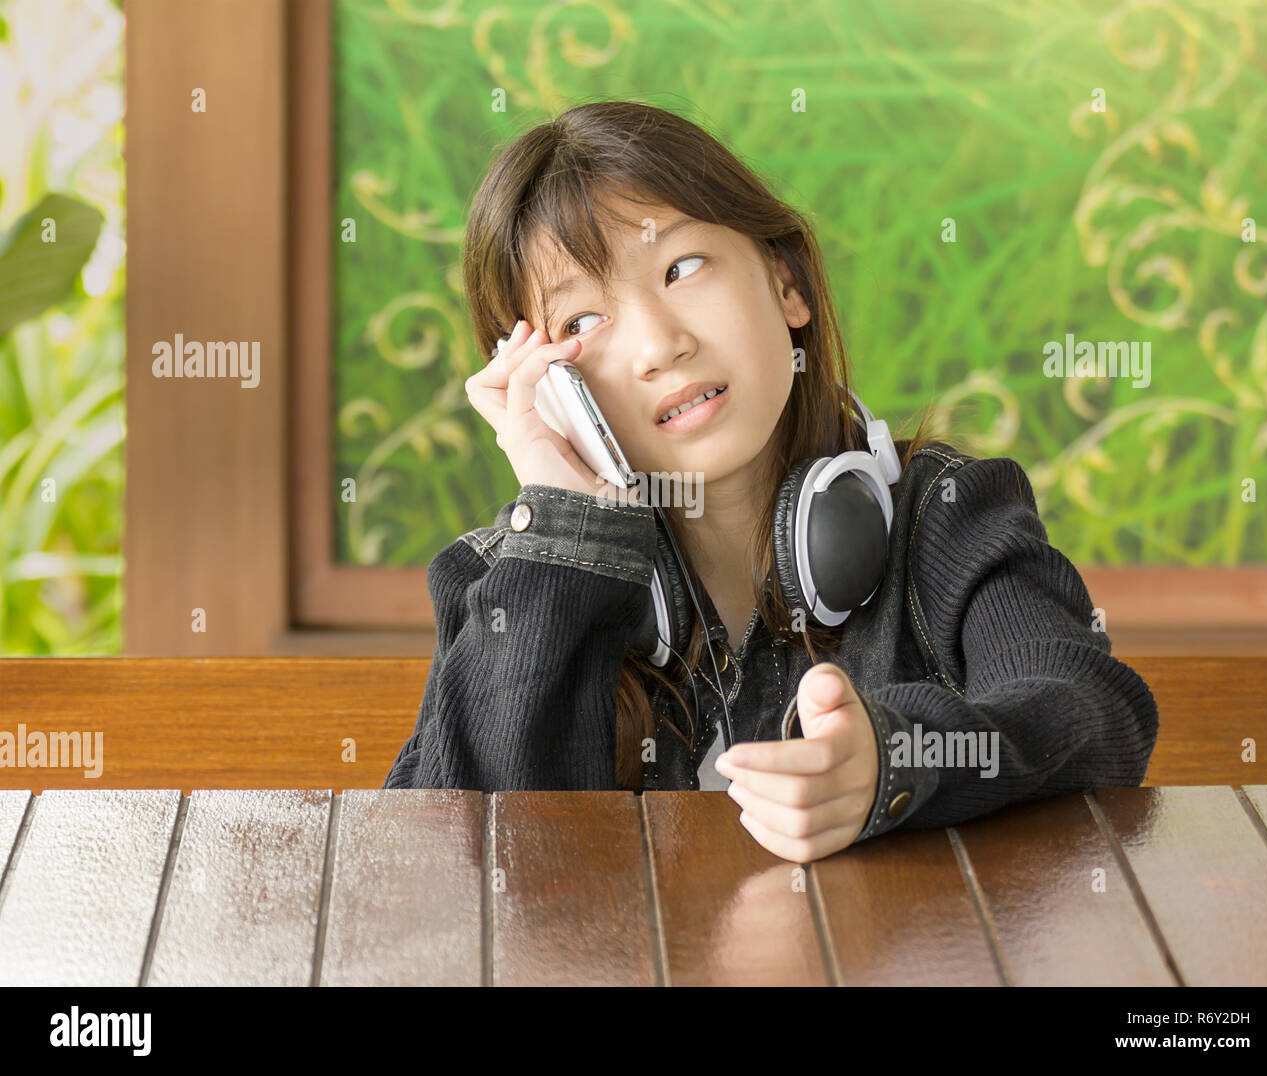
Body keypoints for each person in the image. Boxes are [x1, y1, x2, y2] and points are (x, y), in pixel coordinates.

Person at [383, 100, 1159, 863]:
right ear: (542, 385)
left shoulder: (947, 511)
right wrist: (562, 547)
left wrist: (891, 764)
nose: (660, 345)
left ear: (785, 283)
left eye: (681, 268)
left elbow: (1092, 713)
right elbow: (444, 862)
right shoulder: (503, 580)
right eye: (580, 323)